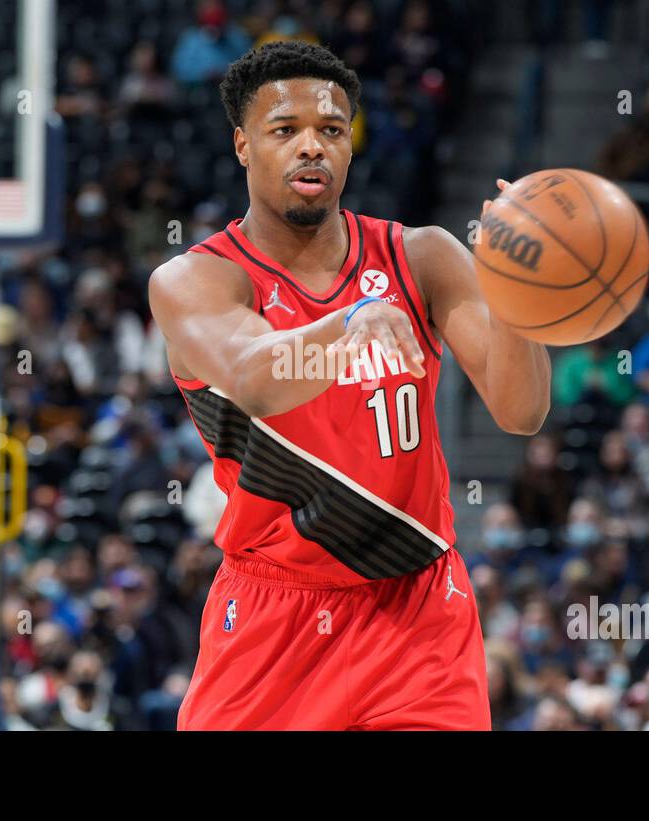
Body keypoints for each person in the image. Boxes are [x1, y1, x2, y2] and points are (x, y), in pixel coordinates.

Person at [148, 42, 552, 730]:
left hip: (418, 608)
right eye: (286, 131)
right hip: (274, 617)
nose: (313, 147)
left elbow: (522, 410)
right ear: (244, 145)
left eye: (331, 130)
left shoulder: (419, 255)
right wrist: (350, 324)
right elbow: (253, 377)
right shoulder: (196, 279)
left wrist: (521, 294)